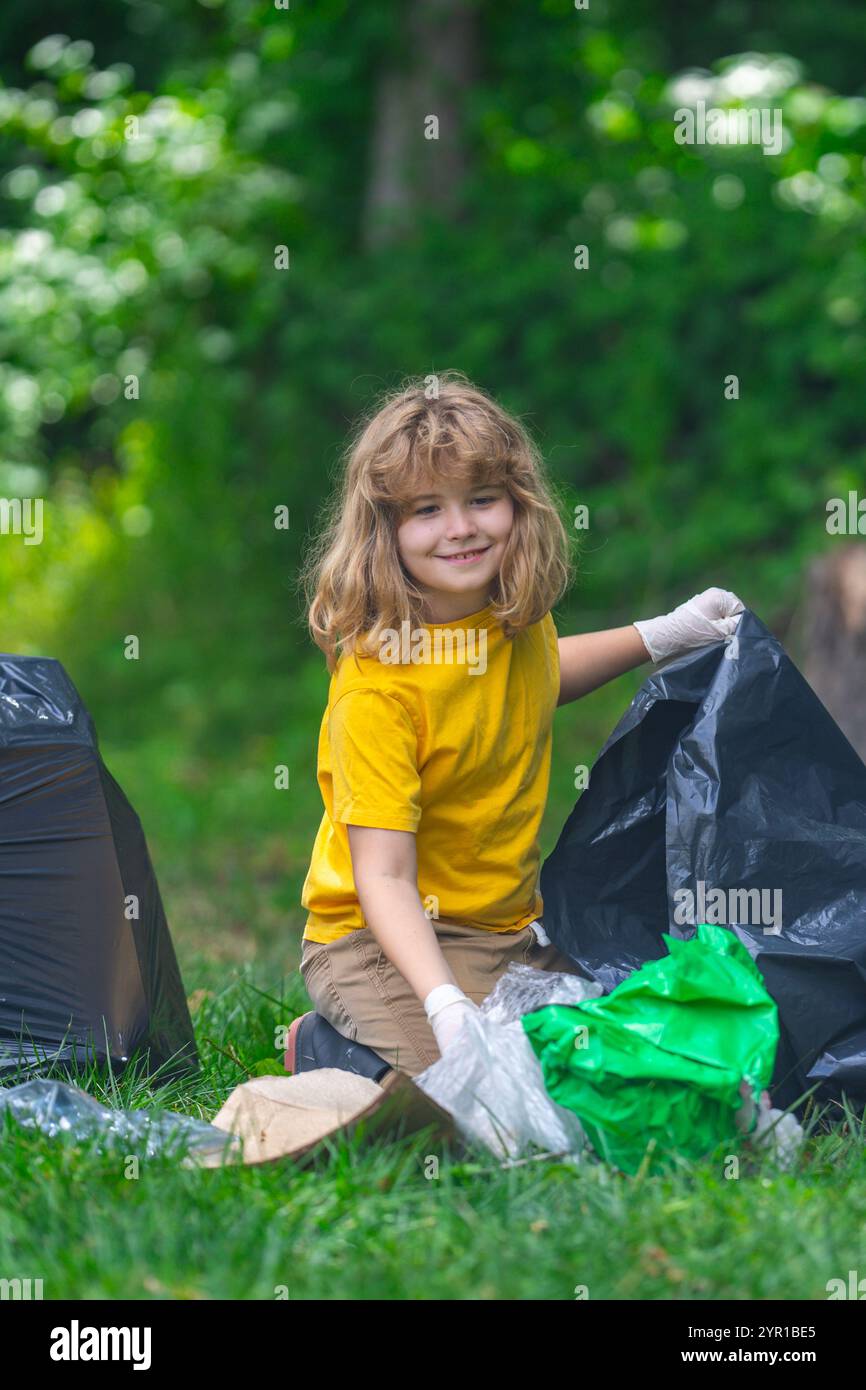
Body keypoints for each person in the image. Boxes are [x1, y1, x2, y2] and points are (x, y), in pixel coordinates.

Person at [294, 371, 743, 1079]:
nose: (462, 528)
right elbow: (381, 877)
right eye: (426, 510)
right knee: (473, 1097)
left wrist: (663, 634)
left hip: (505, 931)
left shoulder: (511, 624)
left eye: (481, 499)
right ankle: (331, 1046)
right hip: (378, 943)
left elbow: (538, 678)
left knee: (606, 1062)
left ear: (517, 504)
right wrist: (442, 1001)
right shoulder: (379, 693)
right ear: (385, 531)